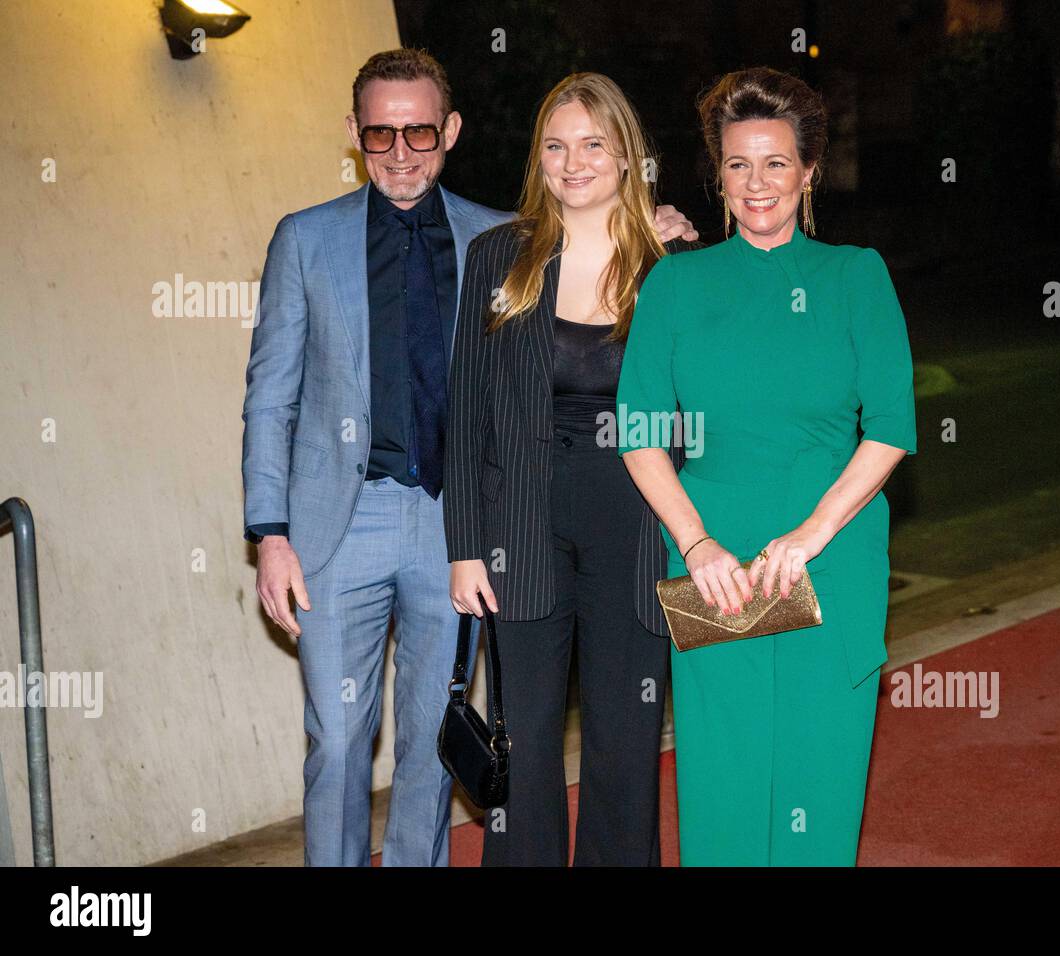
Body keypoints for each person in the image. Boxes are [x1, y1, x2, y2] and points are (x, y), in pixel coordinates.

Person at [241, 48, 695, 867]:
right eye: (382, 134)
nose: (402, 150)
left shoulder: (497, 237)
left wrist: (658, 225)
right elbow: (270, 394)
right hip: (363, 524)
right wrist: (269, 530)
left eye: (420, 131)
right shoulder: (311, 241)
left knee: (438, 740)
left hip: (494, 515)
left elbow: (687, 383)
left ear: (449, 132)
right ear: (355, 135)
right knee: (341, 739)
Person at [617, 67, 917, 866]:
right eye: (740, 164)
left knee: (821, 779)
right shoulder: (676, 284)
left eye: (777, 162)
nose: (758, 183)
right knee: (724, 780)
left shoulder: (857, 276)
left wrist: (811, 534)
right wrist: (698, 543)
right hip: (718, 567)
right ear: (717, 174)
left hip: (832, 556)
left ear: (809, 171)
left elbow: (889, 429)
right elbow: (639, 432)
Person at [445, 72, 690, 866]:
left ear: (627, 155)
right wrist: (464, 545)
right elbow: (466, 410)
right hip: (522, 528)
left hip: (638, 522)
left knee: (625, 738)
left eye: (592, 144)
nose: (572, 161)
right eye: (555, 145)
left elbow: (706, 413)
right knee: (527, 738)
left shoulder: (675, 261)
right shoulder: (499, 258)